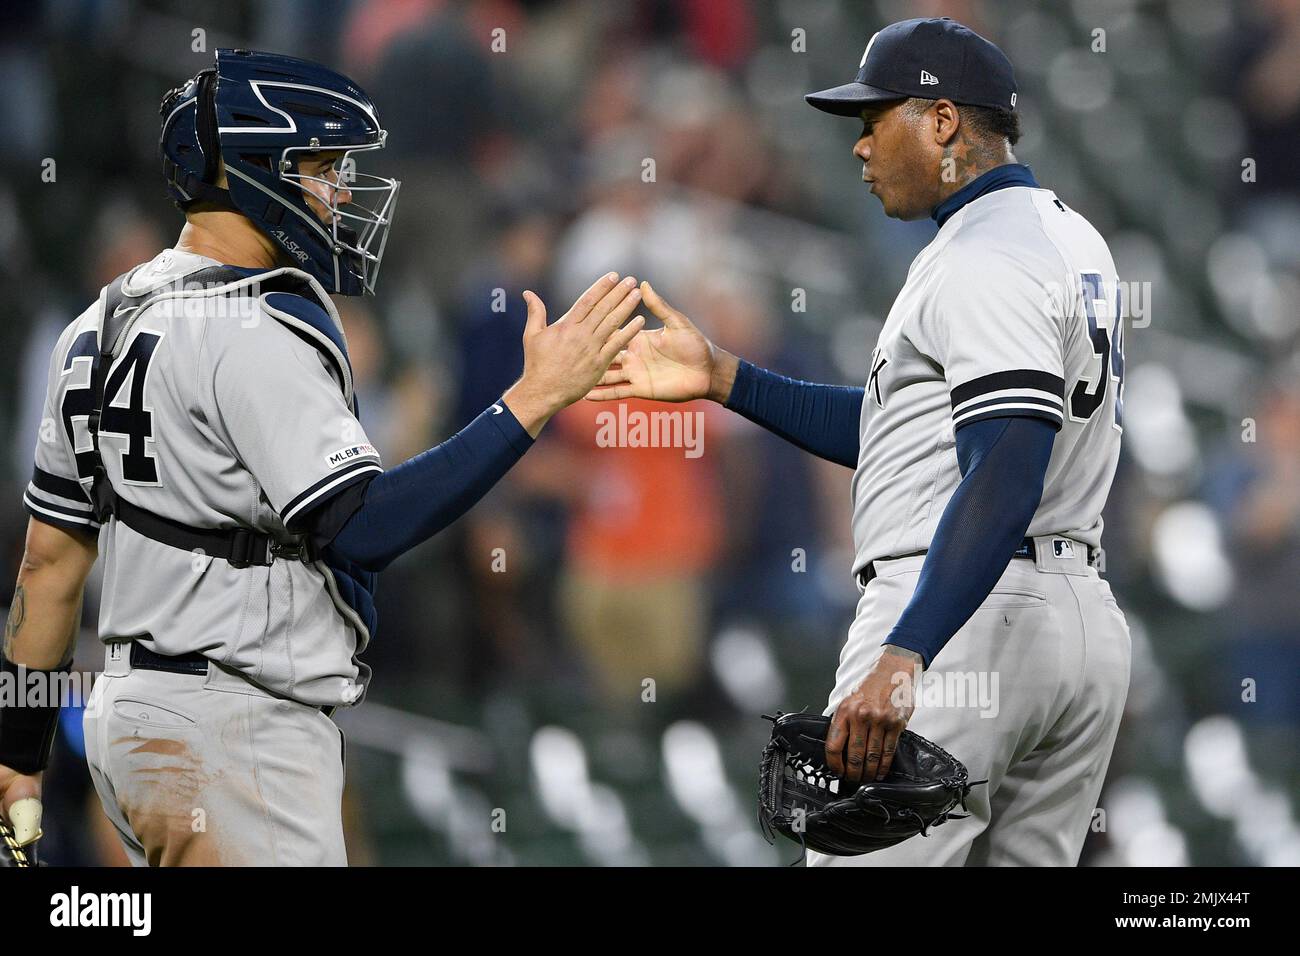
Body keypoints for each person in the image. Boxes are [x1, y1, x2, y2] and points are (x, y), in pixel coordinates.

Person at [0, 49, 642, 866]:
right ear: (253, 167)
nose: (339, 189)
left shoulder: (92, 326)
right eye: (321, 164)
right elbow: (364, 527)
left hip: (128, 723)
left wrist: (17, 754)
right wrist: (533, 399)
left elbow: (46, 568)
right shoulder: (254, 325)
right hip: (233, 731)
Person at [590, 17, 1131, 866]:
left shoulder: (985, 255)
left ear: (943, 122)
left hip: (969, 609)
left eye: (876, 121)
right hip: (1078, 625)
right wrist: (729, 377)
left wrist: (907, 650)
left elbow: (1005, 470)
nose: (860, 147)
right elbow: (904, 434)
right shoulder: (1068, 238)